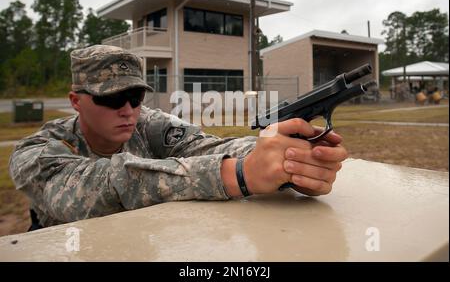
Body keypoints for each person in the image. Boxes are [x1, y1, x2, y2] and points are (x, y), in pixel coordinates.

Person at [8, 45, 348, 229]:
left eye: (136, 98)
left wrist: (285, 156)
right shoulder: (37, 152)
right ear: (75, 101)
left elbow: (207, 146)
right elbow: (103, 184)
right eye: (111, 99)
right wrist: (241, 174)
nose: (127, 109)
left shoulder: (147, 123)